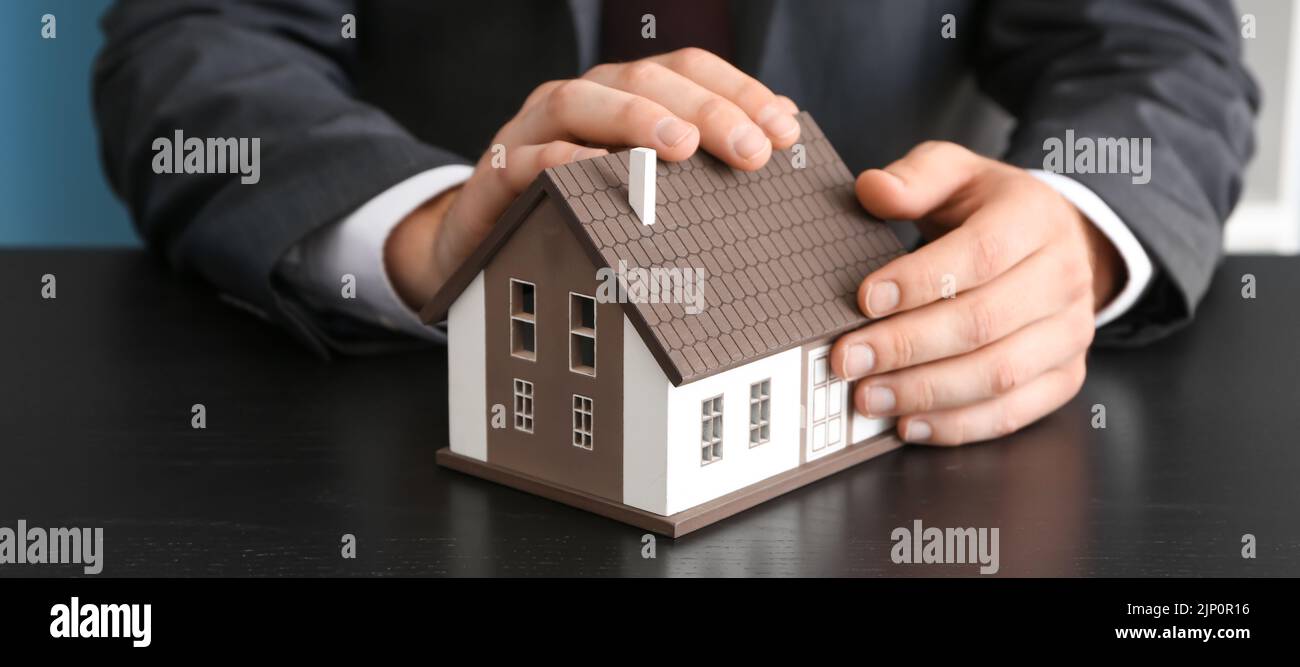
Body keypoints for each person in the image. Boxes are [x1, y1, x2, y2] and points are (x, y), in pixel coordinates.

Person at [92, 0, 1257, 445]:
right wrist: (427, 231)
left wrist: (1076, 226)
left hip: (887, 374)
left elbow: (1157, 42)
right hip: (393, 397)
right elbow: (199, 39)